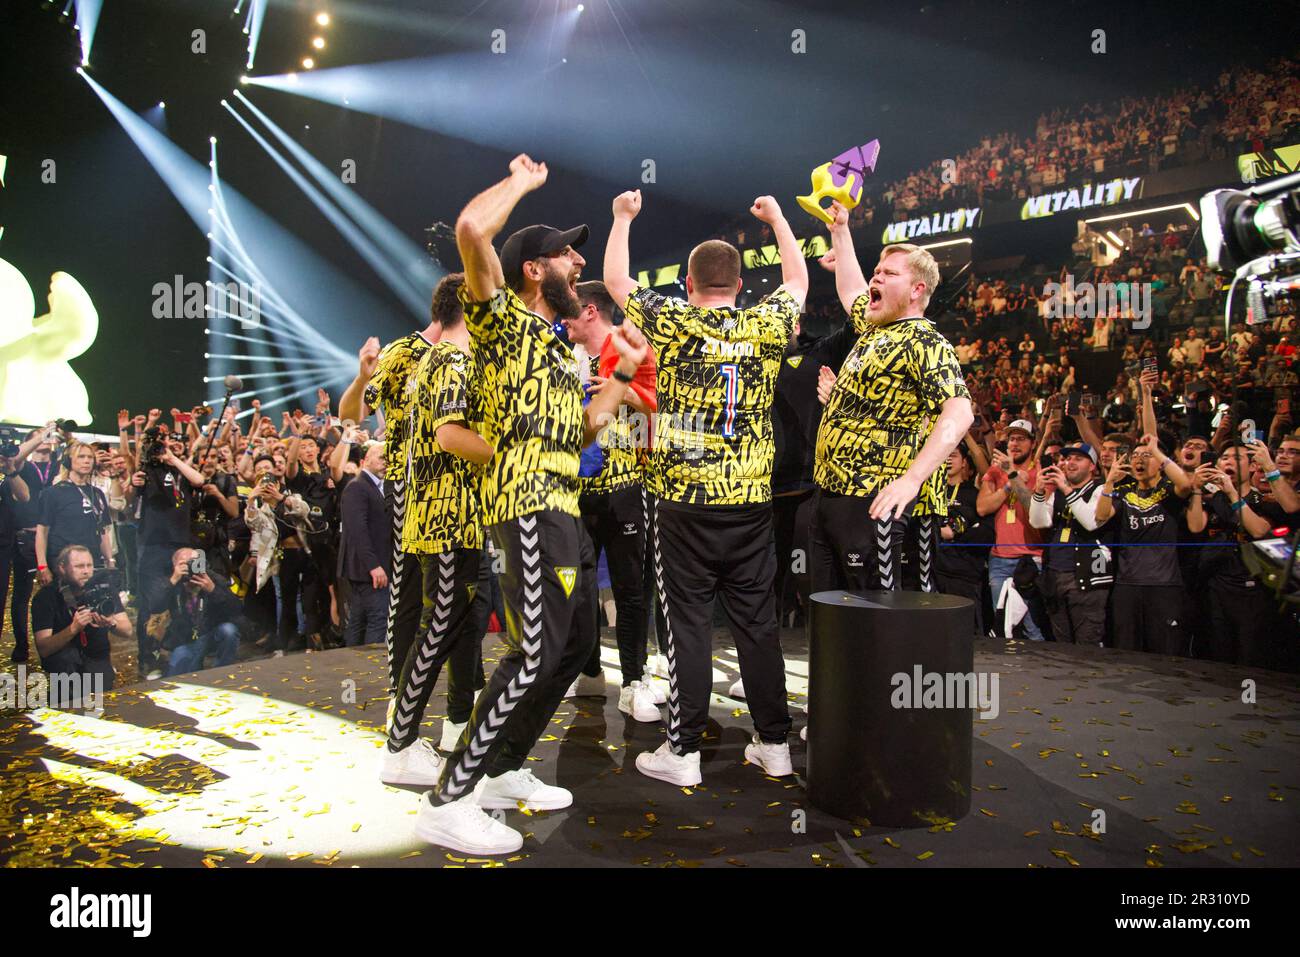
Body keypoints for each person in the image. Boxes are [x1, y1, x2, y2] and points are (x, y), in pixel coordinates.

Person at [416, 153, 647, 855]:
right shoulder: (503, 323)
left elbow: (579, 428)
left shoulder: (554, 348)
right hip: (525, 507)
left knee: (575, 643)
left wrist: (620, 377)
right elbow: (468, 229)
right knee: (533, 648)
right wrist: (521, 184)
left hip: (563, 504)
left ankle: (504, 767)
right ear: (534, 270)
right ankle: (448, 797)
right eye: (565, 253)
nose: (579, 261)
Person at [605, 188, 809, 787]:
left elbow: (617, 280)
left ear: (689, 284)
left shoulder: (670, 319)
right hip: (750, 505)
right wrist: (778, 220)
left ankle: (685, 752)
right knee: (756, 625)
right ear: (741, 285)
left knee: (689, 624)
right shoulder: (768, 324)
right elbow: (796, 280)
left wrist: (622, 219)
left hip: (684, 504)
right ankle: (774, 744)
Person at [812, 201, 973, 599]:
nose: (875, 278)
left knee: (881, 614)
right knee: (839, 615)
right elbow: (850, 286)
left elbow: (960, 409)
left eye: (889, 273)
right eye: (877, 271)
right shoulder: (872, 328)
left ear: (918, 288)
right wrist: (840, 229)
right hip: (834, 495)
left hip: (875, 498)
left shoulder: (924, 339)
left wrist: (912, 479)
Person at [383, 271, 495, 784]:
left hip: (446, 515)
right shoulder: (452, 360)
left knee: (447, 625)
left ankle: (415, 737)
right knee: (438, 627)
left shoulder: (431, 359)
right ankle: (400, 747)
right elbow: (450, 435)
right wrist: (511, 455)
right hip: (448, 516)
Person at [561, 279, 661, 720]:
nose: (562, 320)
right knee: (578, 589)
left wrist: (622, 387)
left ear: (589, 311)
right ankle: (588, 671)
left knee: (629, 588)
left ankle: (634, 680)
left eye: (569, 312)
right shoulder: (562, 357)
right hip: (575, 489)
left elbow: (660, 407)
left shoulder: (631, 347)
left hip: (624, 486)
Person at [339, 301, 441, 696]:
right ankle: (400, 695)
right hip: (411, 492)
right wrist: (362, 378)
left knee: (464, 598)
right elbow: (351, 416)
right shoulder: (402, 354)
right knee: (409, 595)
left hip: (461, 499)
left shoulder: (470, 354)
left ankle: (456, 703)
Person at [1091, 433, 1193, 655]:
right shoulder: (1124, 492)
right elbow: (1101, 516)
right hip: (1128, 585)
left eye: (1147, 455)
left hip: (1164, 585)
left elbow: (1185, 484)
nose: (1140, 460)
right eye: (1135, 455)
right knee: (1127, 650)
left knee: (1165, 651)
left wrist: (1157, 452)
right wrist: (1109, 482)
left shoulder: (1167, 489)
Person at [1028, 442, 1112, 646]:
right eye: (1067, 458)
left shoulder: (1101, 488)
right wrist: (1039, 492)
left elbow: (1091, 522)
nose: (1070, 462)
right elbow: (1038, 522)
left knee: (1087, 643)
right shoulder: (1058, 493)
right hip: (1055, 575)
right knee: (1062, 644)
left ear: (1092, 466)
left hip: (1088, 577)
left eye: (1078, 458)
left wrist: (1066, 488)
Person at [31, 545, 131, 706]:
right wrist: (73, 628)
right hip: (64, 660)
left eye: (89, 566)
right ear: (62, 568)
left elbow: (127, 631)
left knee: (102, 696)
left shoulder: (103, 589)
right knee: (70, 687)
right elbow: (44, 648)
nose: (86, 571)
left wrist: (111, 623)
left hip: (96, 655)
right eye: (79, 566)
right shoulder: (46, 596)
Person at [977, 420, 1048, 640]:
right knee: (1004, 628)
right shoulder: (996, 471)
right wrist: (1009, 483)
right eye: (1011, 439)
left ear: (1033, 443)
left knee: (1032, 628)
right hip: (999, 560)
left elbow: (1034, 512)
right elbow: (982, 507)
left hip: (1031, 558)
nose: (1014, 444)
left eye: (1021, 438)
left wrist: (1014, 476)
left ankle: (1042, 673)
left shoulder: (1041, 472)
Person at [146, 547, 241, 677]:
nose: (191, 566)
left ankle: (221, 673)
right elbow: (155, 606)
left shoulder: (211, 578)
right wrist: (173, 580)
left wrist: (213, 590)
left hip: (211, 634)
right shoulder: (170, 581)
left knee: (229, 630)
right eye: (185, 563)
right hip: (184, 641)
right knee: (178, 680)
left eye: (194, 562)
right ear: (175, 565)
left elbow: (236, 608)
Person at [34, 441, 114, 585]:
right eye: (81, 457)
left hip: (90, 560)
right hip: (62, 560)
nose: (86, 461)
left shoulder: (97, 494)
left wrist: (110, 560)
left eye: (90, 457)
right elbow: (42, 531)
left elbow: (103, 531)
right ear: (69, 461)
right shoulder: (53, 493)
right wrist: (42, 565)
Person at [337, 439, 390, 648]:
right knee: (377, 618)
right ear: (365, 459)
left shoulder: (372, 487)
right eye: (381, 457)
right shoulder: (358, 487)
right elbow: (357, 531)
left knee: (359, 619)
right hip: (368, 569)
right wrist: (374, 566)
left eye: (389, 459)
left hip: (367, 569)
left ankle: (353, 663)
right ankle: (370, 666)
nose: (386, 462)